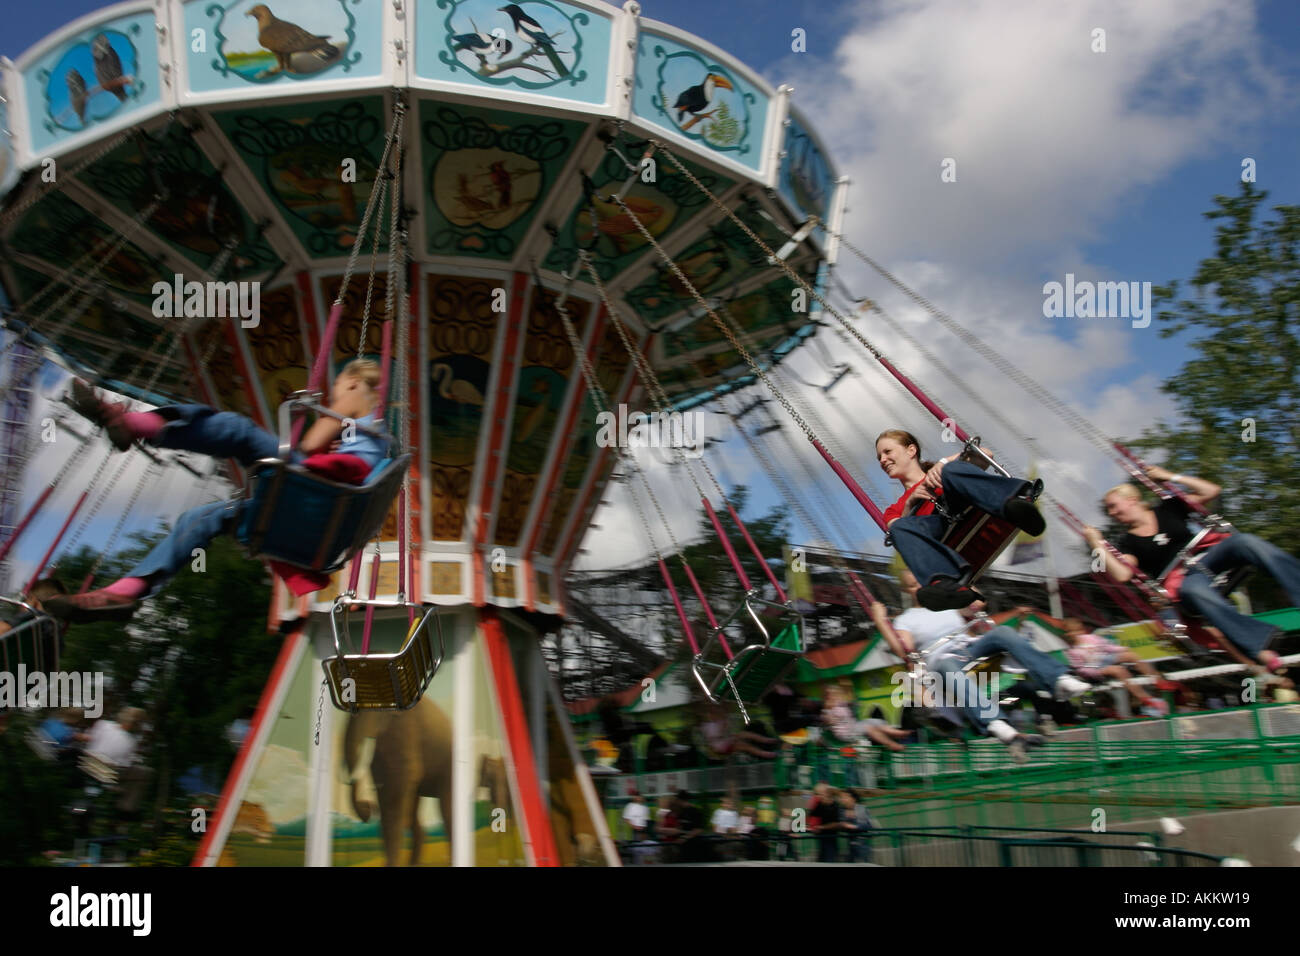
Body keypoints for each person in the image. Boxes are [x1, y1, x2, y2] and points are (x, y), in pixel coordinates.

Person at [45, 361, 390, 622]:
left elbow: (311, 445)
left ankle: (134, 424)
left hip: (318, 497)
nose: (335, 395)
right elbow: (350, 454)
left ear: (355, 381)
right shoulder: (377, 430)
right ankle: (125, 593)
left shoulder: (357, 396)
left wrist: (324, 422)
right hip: (326, 529)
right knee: (204, 518)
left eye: (338, 385)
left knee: (237, 430)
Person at [1084, 470, 1300, 673]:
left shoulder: (1168, 508)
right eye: (1109, 510)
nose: (1112, 513)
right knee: (1193, 590)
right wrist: (1097, 545)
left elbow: (1211, 490)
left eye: (1113, 506)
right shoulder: (1127, 542)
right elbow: (1122, 574)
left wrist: (1169, 475)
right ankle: (1259, 647)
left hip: (1210, 555)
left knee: (1246, 541)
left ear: (1131, 500)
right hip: (1185, 578)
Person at [873, 571, 1091, 762]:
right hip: (943, 660)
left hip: (971, 649)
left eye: (921, 581)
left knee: (1003, 632)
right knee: (947, 664)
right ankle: (997, 724)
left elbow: (977, 602)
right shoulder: (907, 619)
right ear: (906, 590)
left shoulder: (946, 600)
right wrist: (882, 622)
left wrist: (955, 576)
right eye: (912, 585)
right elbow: (904, 649)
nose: (919, 587)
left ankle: (1059, 680)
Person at [876, 429, 1046, 611]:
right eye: (879, 457)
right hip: (936, 528)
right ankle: (944, 583)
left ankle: (1014, 506)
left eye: (887, 452)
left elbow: (986, 455)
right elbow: (897, 533)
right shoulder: (894, 509)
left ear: (911, 450)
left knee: (952, 469)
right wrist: (910, 503)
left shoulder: (941, 472)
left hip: (961, 504)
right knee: (900, 527)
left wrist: (942, 463)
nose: (882, 460)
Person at [1051, 615, 1170, 717]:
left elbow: (1107, 647)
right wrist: (1095, 672)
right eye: (1073, 632)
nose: (1077, 634)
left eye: (1078, 631)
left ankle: (1156, 679)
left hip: (1104, 658)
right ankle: (1145, 698)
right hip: (1095, 668)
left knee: (1131, 655)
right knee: (1118, 670)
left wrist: (1122, 649)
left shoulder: (1091, 638)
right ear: (1067, 634)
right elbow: (1080, 669)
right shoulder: (1072, 651)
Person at [822, 679, 911, 752]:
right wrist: (831, 720)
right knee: (869, 728)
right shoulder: (828, 710)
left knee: (874, 721)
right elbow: (827, 721)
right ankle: (892, 744)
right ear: (829, 698)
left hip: (853, 727)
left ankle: (894, 732)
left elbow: (848, 695)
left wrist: (854, 703)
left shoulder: (840, 704)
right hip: (846, 733)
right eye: (833, 696)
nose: (836, 697)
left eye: (836, 695)